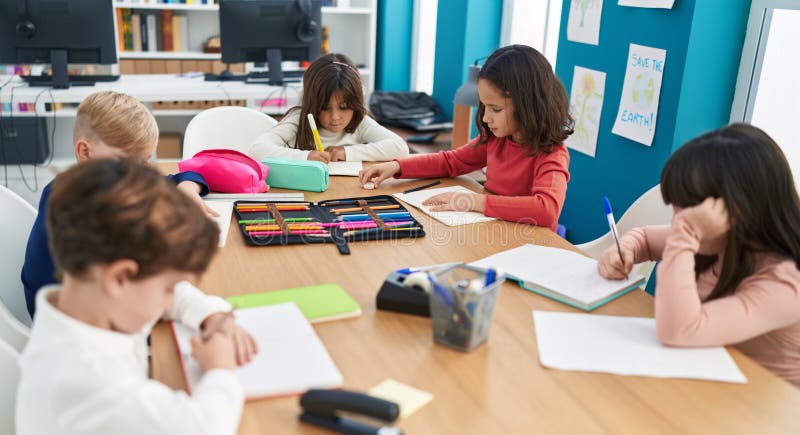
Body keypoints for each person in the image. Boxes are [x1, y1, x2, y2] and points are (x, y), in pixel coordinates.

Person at [16, 159, 257, 435]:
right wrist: (220, 369)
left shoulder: (91, 302)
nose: (169, 300)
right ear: (119, 278)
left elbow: (166, 292)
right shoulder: (91, 383)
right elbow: (205, 428)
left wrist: (209, 313)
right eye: (167, 288)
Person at [598, 123, 800, 388]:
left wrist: (687, 231)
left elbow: (679, 329)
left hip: (762, 408)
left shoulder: (785, 283)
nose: (677, 221)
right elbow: (644, 238)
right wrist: (622, 250)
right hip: (707, 378)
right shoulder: (718, 242)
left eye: (686, 213)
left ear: (732, 212)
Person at [21, 90, 217, 317]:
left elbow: (184, 176)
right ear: (85, 151)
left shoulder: (115, 180)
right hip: (71, 319)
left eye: (143, 161)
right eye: (127, 161)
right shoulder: (72, 205)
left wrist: (187, 187)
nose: (138, 173)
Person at [358, 45, 572, 229]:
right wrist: (397, 166)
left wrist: (474, 201)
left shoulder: (551, 153)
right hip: (492, 230)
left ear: (528, 105)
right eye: (485, 106)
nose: (486, 117)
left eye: (495, 109)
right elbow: (451, 161)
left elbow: (547, 209)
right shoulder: (496, 139)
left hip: (528, 244)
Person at [247, 53, 408, 163]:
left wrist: (347, 153)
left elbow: (400, 148)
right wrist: (306, 156)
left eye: (344, 107)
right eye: (324, 108)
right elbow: (257, 150)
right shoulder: (299, 119)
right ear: (311, 103)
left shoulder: (360, 121)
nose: (335, 117)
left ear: (356, 103)